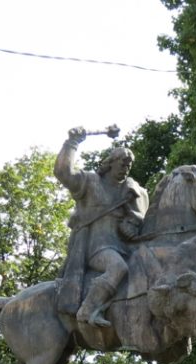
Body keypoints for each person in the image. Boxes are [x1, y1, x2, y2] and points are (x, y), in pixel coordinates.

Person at [54, 131, 149, 329]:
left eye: (129, 165)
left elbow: (140, 221)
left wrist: (132, 226)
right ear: (110, 162)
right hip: (95, 247)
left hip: (123, 247)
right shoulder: (89, 181)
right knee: (118, 268)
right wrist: (72, 143)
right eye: (122, 163)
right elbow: (63, 172)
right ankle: (88, 310)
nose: (126, 168)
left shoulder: (131, 191)